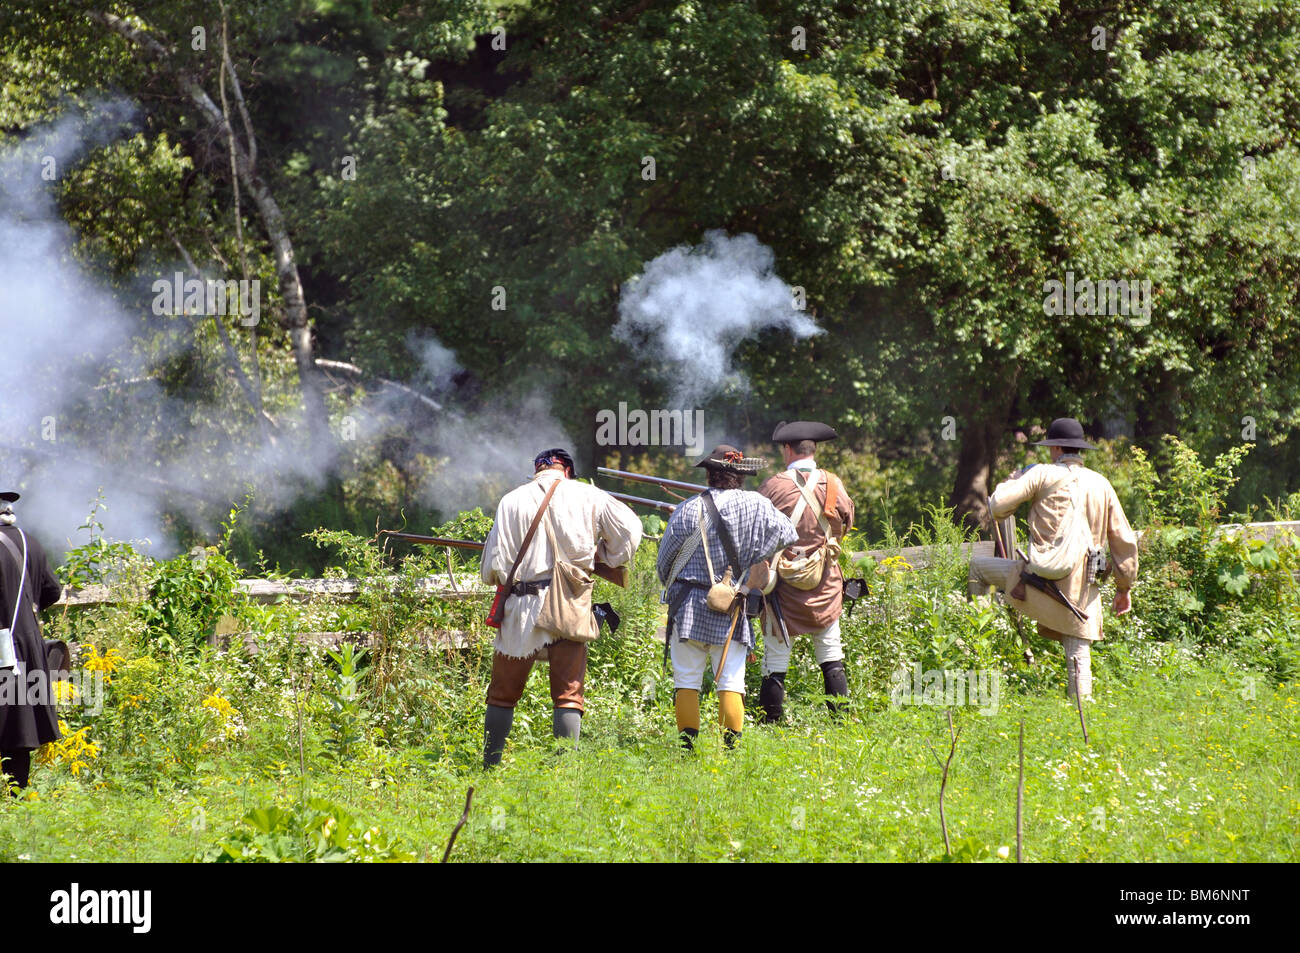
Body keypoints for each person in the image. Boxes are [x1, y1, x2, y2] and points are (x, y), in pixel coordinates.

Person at [480, 449, 642, 768]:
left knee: (502, 694)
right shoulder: (590, 495)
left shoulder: (511, 500)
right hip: (569, 602)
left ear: (537, 469)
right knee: (569, 694)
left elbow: (491, 570)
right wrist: (603, 559)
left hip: (521, 606)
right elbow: (630, 532)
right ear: (567, 470)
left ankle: (489, 767)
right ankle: (564, 772)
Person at [968, 418, 1139, 700]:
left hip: (1037, 577)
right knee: (1078, 653)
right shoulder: (1102, 484)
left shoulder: (1042, 474)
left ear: (1057, 448)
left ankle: (978, 644)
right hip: (1082, 583)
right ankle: (1082, 715)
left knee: (978, 568)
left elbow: (997, 507)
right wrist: (1124, 588)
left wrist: (1012, 481)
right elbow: (1124, 542)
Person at [657, 446, 797, 749]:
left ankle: (687, 752)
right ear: (740, 476)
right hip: (734, 602)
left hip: (687, 605)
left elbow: (663, 564)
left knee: (686, 681)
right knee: (732, 680)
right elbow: (788, 532)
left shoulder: (686, 509)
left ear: (709, 473)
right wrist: (753, 556)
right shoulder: (757, 505)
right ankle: (731, 752)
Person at [756, 421, 856, 722]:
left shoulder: (774, 485)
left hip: (783, 585)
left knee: (775, 658)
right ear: (813, 450)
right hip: (825, 580)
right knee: (831, 654)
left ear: (788, 449)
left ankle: (771, 724)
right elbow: (847, 523)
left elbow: (757, 530)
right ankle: (840, 722)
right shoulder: (834, 484)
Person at [0, 491, 63, 793]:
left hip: (2, 650)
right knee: (20, 727)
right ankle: (16, 795)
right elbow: (53, 591)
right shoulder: (32, 544)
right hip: (26, 645)